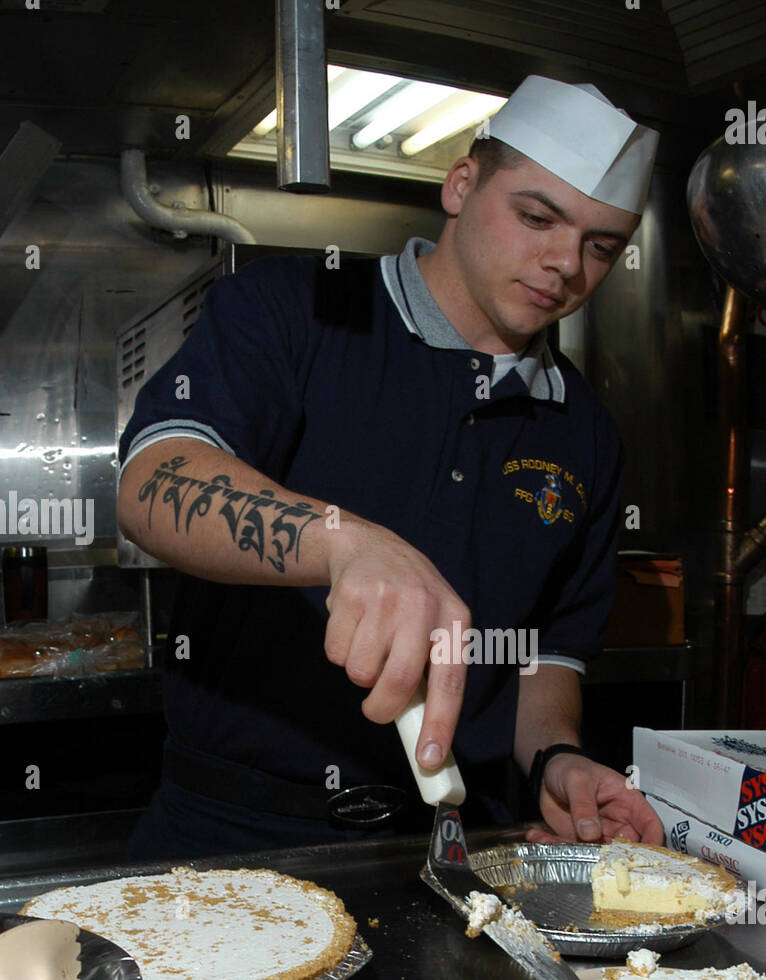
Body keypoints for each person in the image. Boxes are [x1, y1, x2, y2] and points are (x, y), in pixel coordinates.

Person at [117, 75, 665, 860]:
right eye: (536, 217)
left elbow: (547, 655)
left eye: (601, 246)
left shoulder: (586, 432)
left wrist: (557, 757)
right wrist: (342, 542)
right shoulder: (293, 309)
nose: (563, 264)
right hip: (230, 834)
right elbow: (154, 482)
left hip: (452, 843)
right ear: (461, 183)